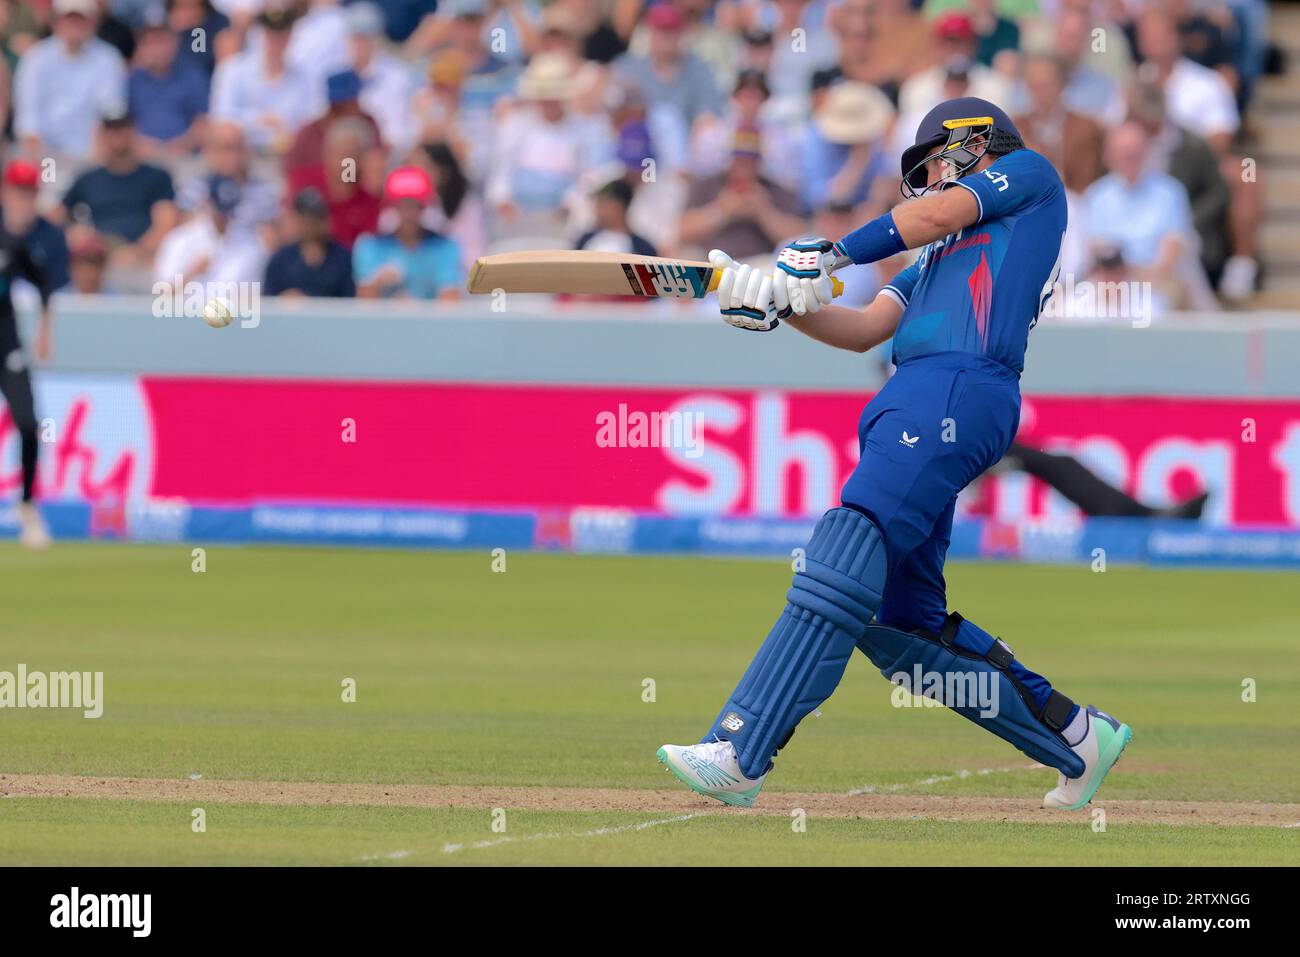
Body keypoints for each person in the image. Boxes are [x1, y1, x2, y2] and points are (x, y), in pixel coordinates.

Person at [658, 98, 1132, 812]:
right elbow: (863, 329)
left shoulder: (1027, 177)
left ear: (975, 143)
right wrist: (777, 302)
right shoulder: (935, 251)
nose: (934, 178)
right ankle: (1074, 735)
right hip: (912, 392)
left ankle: (741, 748)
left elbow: (930, 215)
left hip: (958, 385)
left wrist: (829, 251)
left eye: (938, 160)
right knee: (895, 621)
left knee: (847, 542)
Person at [0, 209, 55, 549]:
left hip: (8, 350)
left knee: (28, 423)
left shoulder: (11, 243)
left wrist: (45, 331)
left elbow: (43, 281)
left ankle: (27, 506)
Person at [353, 165, 460, 299]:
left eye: (415, 205)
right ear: (392, 206)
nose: (408, 213)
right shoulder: (370, 246)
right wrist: (376, 283)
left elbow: (450, 301)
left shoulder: (445, 247)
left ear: (424, 206)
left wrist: (417, 309)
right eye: (402, 205)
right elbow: (362, 304)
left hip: (428, 320)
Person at [263, 188, 355, 297]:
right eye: (307, 219)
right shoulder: (281, 260)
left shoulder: (342, 258)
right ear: (297, 218)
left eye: (319, 218)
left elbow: (349, 302)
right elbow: (268, 300)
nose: (312, 225)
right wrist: (284, 299)